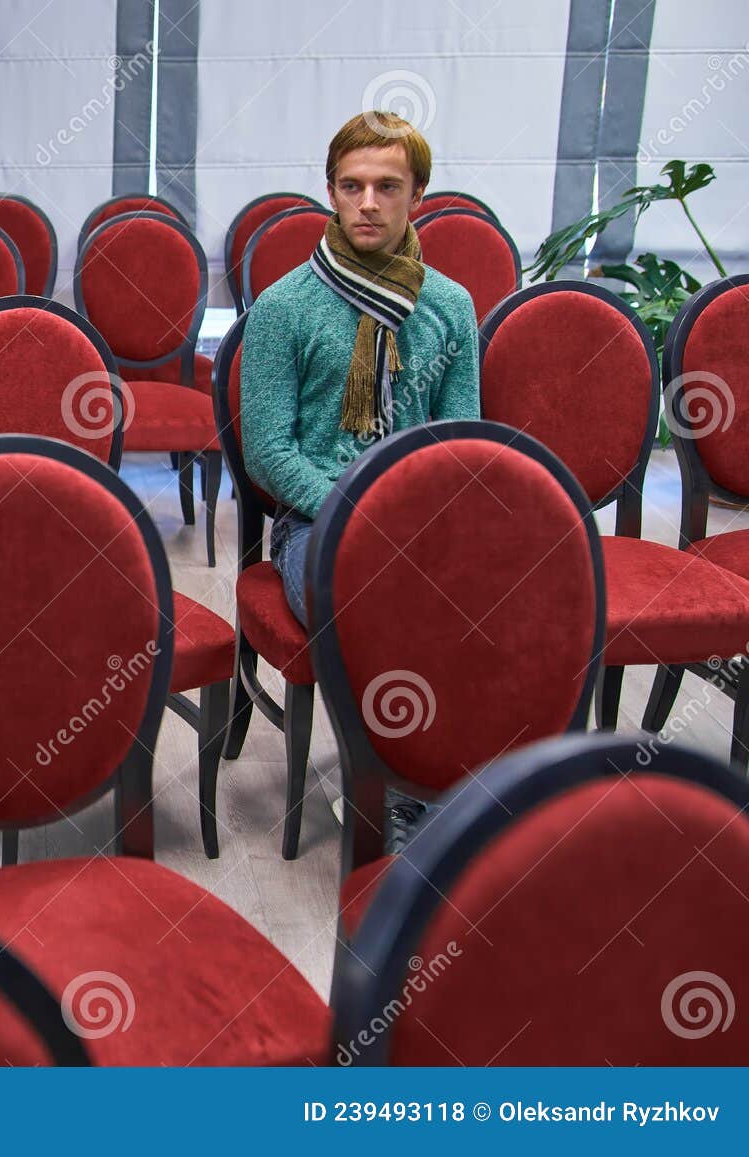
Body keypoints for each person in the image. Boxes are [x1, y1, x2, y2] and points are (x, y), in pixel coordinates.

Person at [239, 110, 480, 851]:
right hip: (316, 524)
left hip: (425, 520)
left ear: (418, 195)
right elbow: (267, 452)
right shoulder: (284, 307)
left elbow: (461, 445)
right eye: (351, 186)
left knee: (495, 593)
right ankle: (392, 790)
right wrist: (360, 513)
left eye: (387, 186)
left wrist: (417, 519)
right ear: (331, 192)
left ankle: (472, 781)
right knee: (385, 601)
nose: (367, 203)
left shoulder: (450, 306)